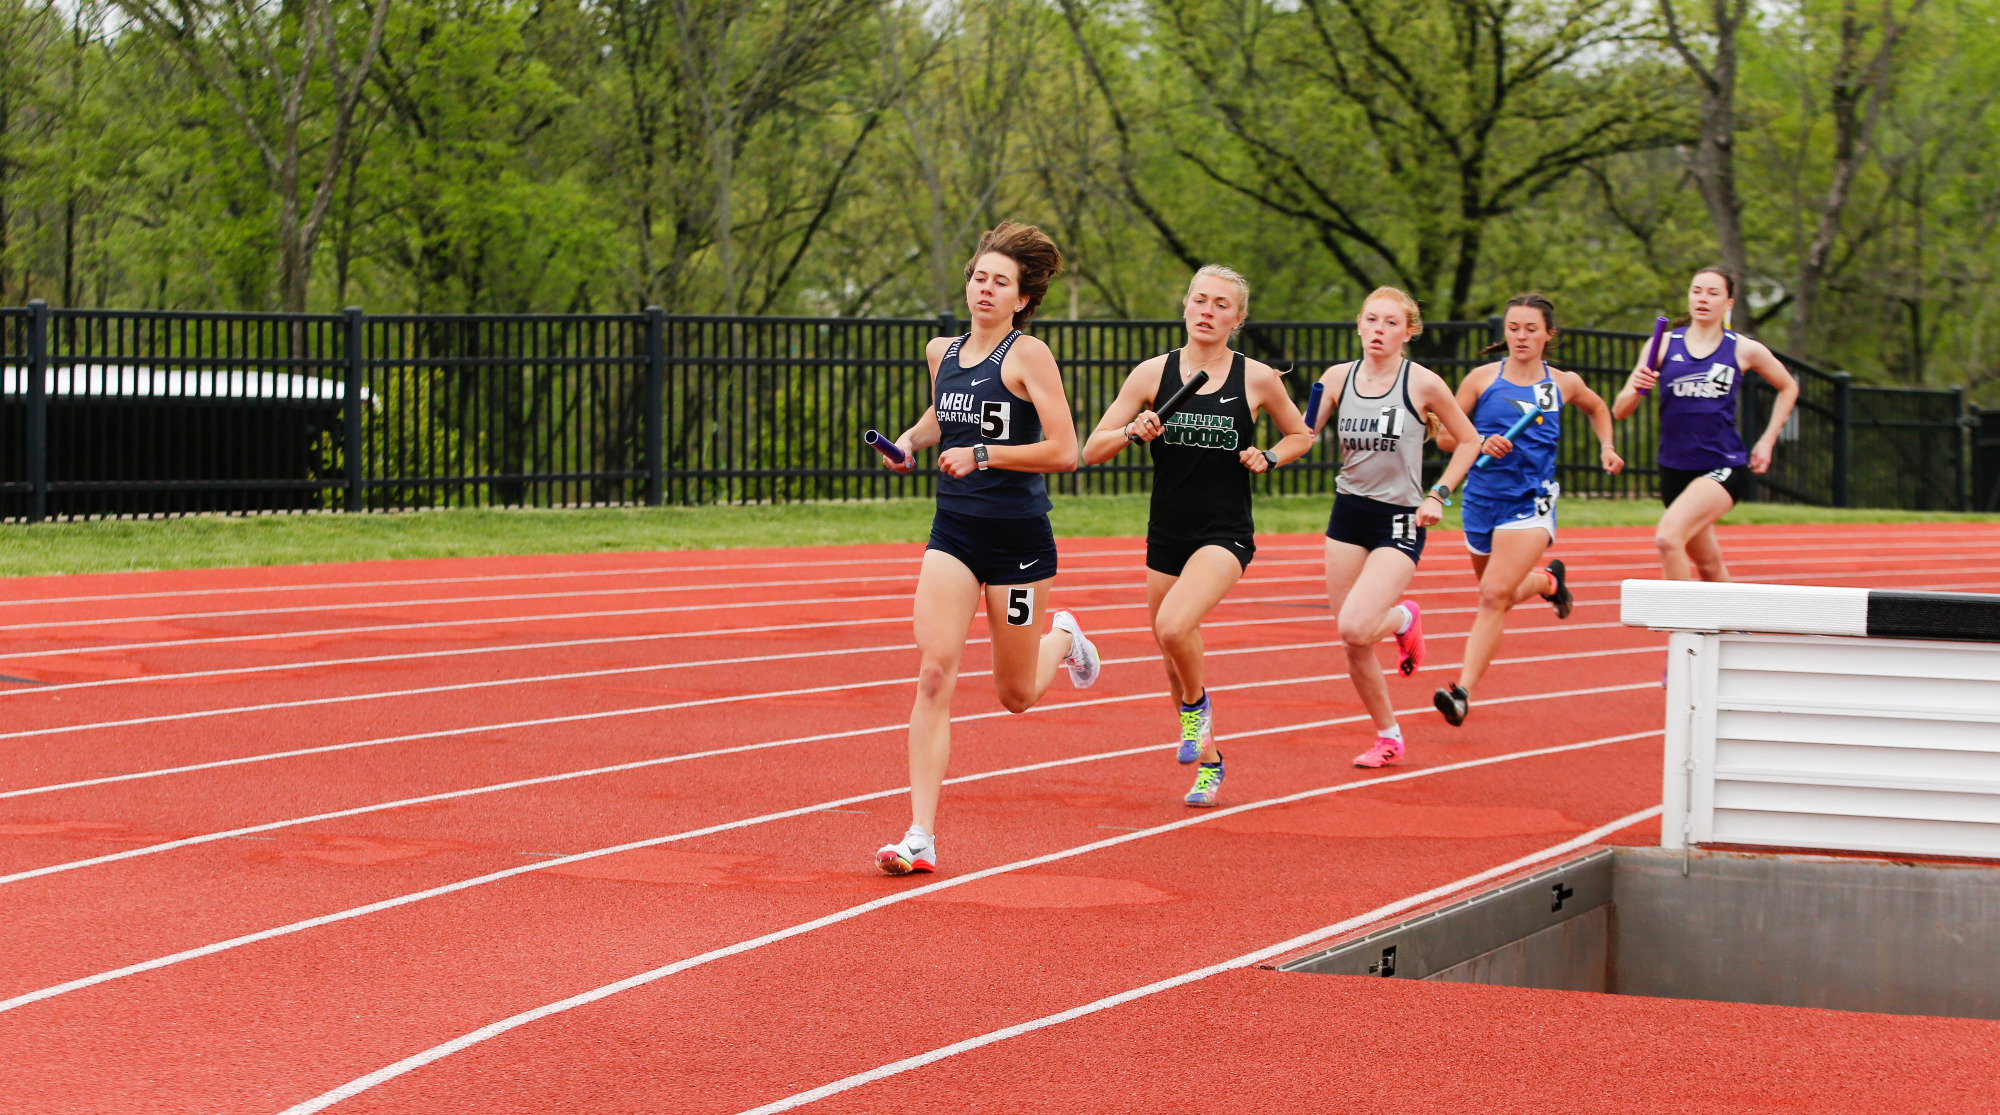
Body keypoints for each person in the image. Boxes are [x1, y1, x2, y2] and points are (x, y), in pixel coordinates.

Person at [872, 222, 1100, 876]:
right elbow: (945, 411)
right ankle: (920, 834)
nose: (985, 290)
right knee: (934, 671)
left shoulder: (1030, 357)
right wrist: (911, 441)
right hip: (955, 535)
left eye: (1001, 282)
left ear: (1022, 298)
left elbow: (1065, 452)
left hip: (1021, 546)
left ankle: (1062, 635)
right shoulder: (941, 350)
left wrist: (984, 454)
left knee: (1017, 693)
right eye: (979, 277)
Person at [1081, 265, 1314, 808]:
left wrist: (1270, 455)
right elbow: (1092, 449)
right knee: (1171, 650)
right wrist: (1130, 430)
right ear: (1185, 305)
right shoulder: (1150, 375)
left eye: (1222, 304)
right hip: (1167, 531)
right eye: (1200, 300)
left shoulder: (1256, 378)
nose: (1208, 311)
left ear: (1238, 317)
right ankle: (1209, 758)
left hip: (1224, 532)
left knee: (1174, 623)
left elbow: (1301, 434)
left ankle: (1195, 710)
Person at [1431, 292, 1623, 727]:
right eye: (1514, 328)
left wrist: (1607, 447)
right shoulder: (1481, 380)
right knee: (1497, 593)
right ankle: (1548, 582)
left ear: (1548, 335)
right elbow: (1444, 438)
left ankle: (1461, 692)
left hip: (1530, 502)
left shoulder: (1563, 383)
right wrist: (1479, 441)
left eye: (1531, 329)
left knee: (1492, 595)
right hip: (1481, 499)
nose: (1521, 336)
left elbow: (1597, 406)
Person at [1310, 287, 1481, 768]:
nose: (1378, 330)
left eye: (1390, 322)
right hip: (1347, 513)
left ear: (1408, 332)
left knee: (1356, 625)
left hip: (1401, 518)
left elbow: (1468, 441)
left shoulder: (1423, 383)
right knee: (1352, 641)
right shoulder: (1335, 379)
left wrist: (1439, 494)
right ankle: (1389, 736)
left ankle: (1404, 617)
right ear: (1358, 326)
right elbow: (1302, 431)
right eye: (1371, 320)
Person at [1612, 267, 1799, 581]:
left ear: (1728, 303)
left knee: (1668, 539)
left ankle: (1683, 625)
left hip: (1722, 465)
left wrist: (1768, 439)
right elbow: (1620, 410)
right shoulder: (1662, 345)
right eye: (1697, 291)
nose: (1703, 298)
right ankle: (1734, 627)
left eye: (1713, 293)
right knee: (1709, 564)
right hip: (1674, 467)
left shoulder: (1742, 348)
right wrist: (1637, 387)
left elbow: (1788, 387)